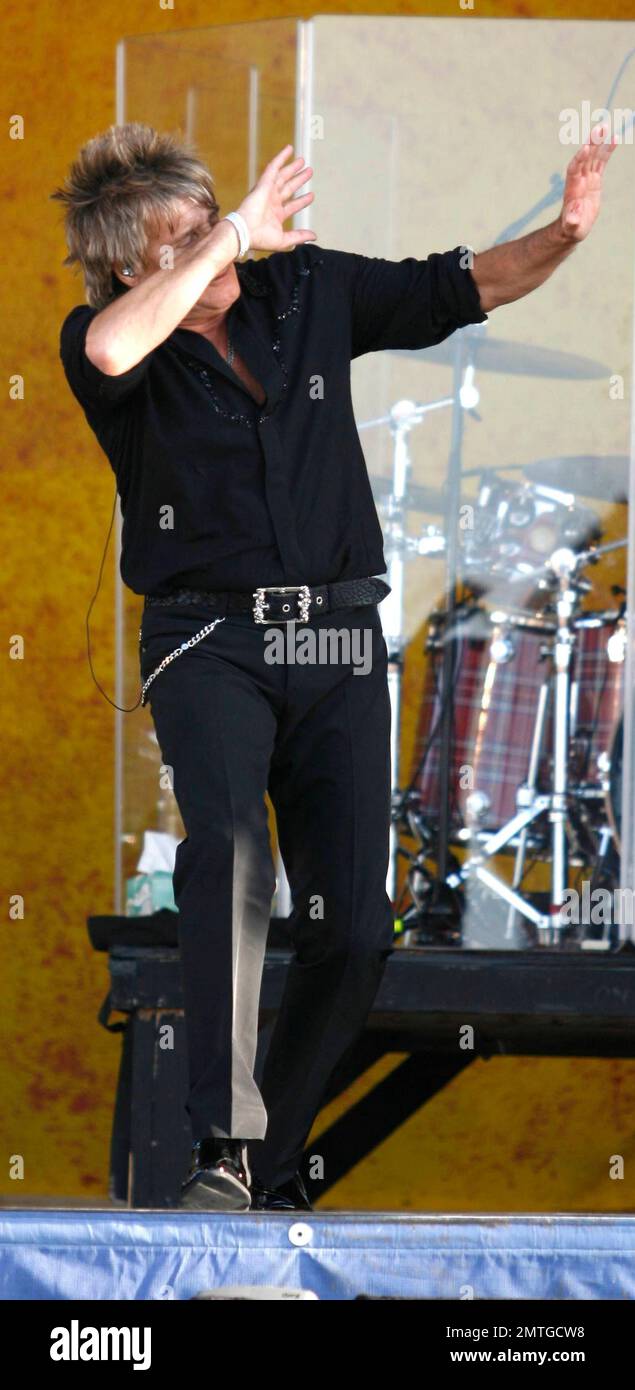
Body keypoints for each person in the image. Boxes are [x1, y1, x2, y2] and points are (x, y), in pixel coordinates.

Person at [52, 121, 615, 1212]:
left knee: (356, 926)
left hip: (337, 636)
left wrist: (564, 232)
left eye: (212, 225)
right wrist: (224, 244)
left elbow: (462, 285)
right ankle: (220, 1144)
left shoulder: (303, 292)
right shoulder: (107, 336)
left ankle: (261, 1166)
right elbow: (115, 350)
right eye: (177, 241)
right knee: (229, 858)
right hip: (206, 638)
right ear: (128, 264)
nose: (213, 247)